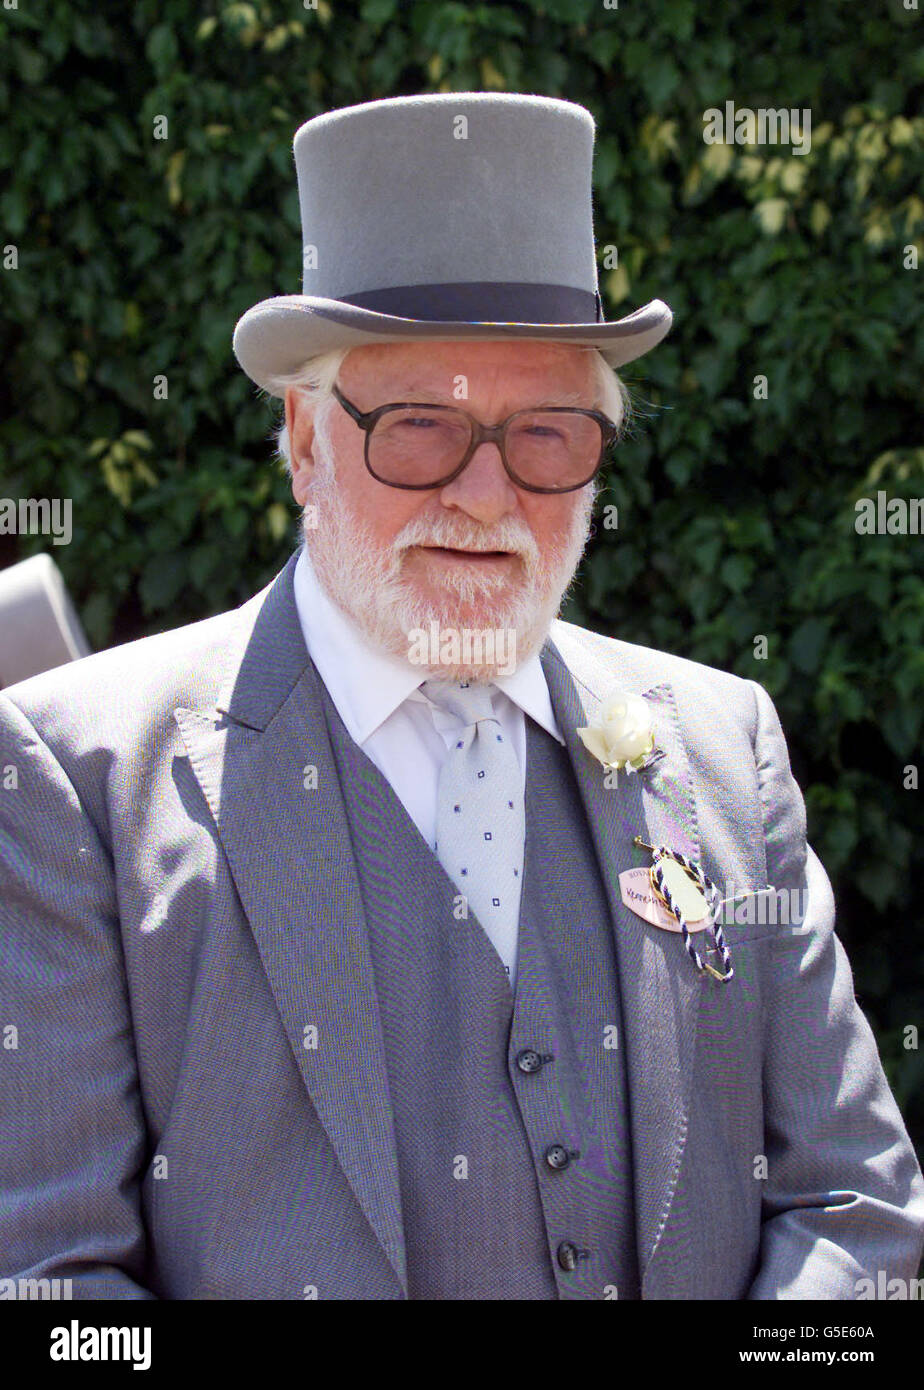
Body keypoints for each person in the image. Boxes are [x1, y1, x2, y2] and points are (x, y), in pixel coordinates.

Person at [1, 92, 921, 1301]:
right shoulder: (81, 780)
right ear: (303, 435)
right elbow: (51, 1290)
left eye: (547, 432)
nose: (487, 495)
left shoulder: (723, 745)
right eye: (422, 425)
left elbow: (856, 1210)